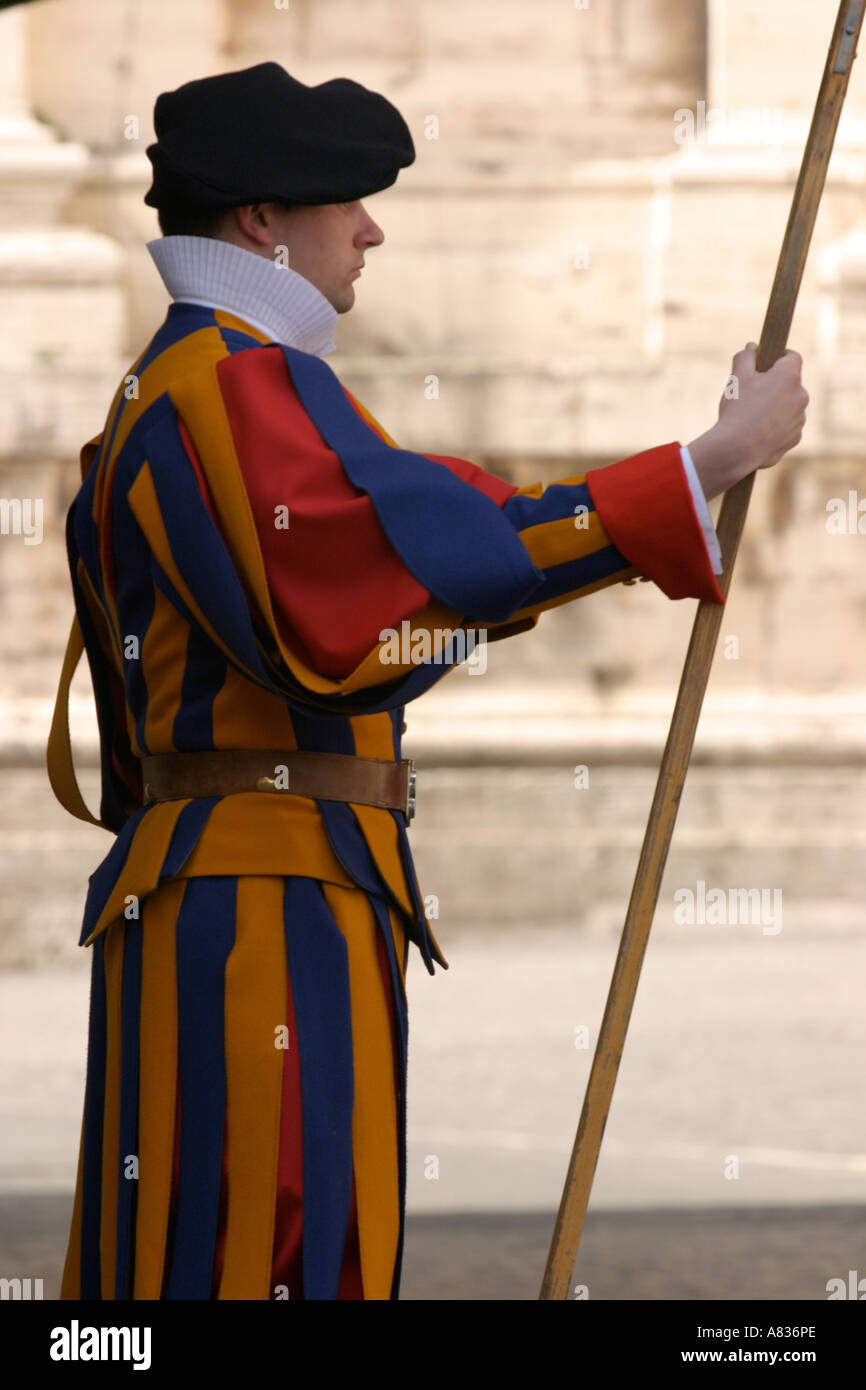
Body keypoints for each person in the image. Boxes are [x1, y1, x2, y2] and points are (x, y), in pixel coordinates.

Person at [48, 62, 808, 1301]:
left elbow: (398, 607)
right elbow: (405, 562)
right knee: (278, 1240)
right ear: (259, 224)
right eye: (344, 199)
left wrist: (654, 511)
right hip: (261, 891)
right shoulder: (234, 379)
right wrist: (700, 466)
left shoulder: (182, 385)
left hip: (242, 873)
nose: (370, 228)